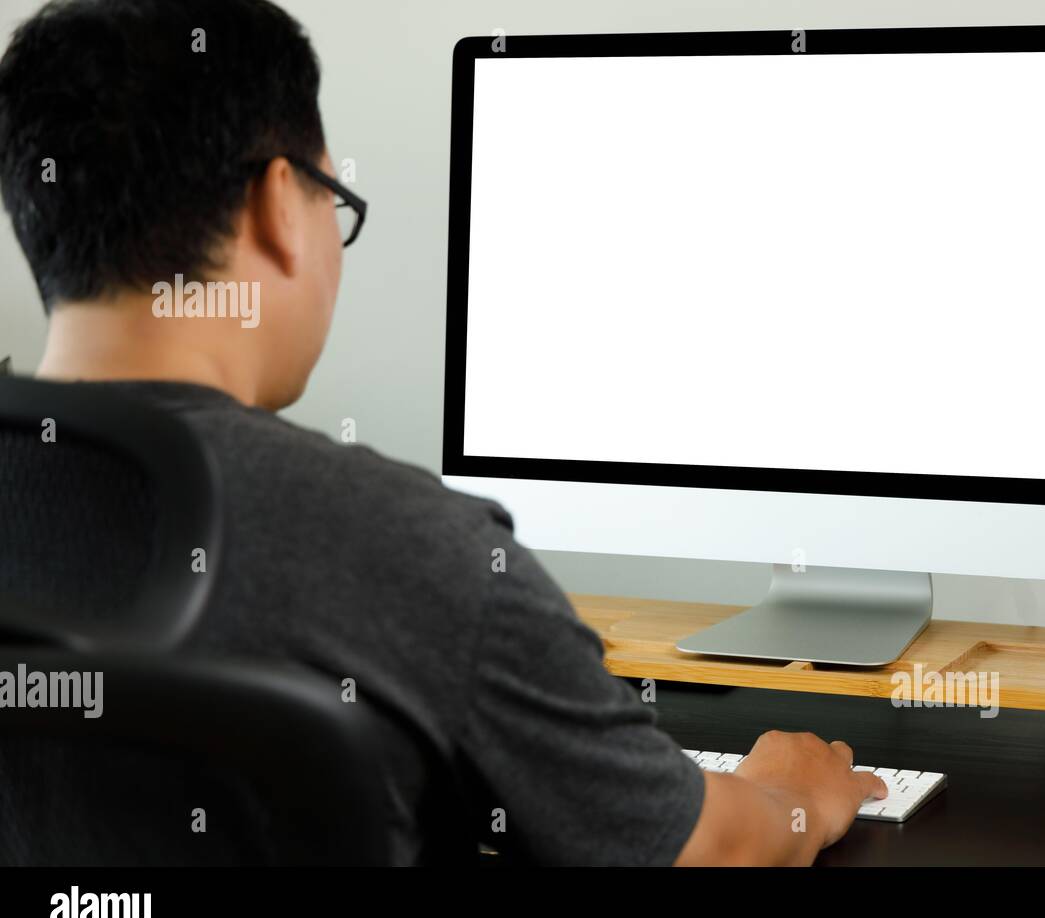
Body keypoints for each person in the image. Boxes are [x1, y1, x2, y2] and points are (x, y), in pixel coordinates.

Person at [0, 0, 883, 865]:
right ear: (279, 205)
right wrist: (795, 792)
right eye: (331, 201)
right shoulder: (407, 546)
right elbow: (703, 850)